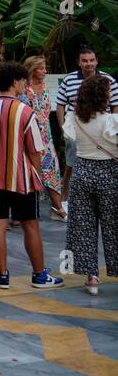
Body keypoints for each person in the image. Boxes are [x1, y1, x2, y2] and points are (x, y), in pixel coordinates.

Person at [0, 61, 63, 289]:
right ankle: (39, 275)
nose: (25, 84)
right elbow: (35, 150)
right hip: (22, 178)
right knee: (30, 225)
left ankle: (2, 275)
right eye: (23, 80)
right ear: (15, 82)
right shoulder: (26, 112)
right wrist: (37, 175)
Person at [64, 75, 118, 296]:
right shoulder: (112, 121)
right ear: (103, 96)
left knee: (82, 227)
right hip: (109, 174)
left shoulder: (73, 118)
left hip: (82, 172)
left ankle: (91, 277)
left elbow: (68, 138)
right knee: (114, 226)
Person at [55, 47, 118, 216]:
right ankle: (65, 198)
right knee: (71, 163)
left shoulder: (108, 79)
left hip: (103, 127)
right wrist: (63, 128)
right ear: (79, 62)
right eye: (85, 60)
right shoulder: (69, 80)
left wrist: (113, 125)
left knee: (101, 163)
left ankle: (92, 203)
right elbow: (60, 105)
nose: (88, 63)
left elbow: (116, 105)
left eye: (91, 60)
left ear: (96, 61)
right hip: (76, 127)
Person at [22, 55, 66, 220]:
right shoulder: (23, 89)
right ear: (32, 69)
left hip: (46, 138)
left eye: (45, 68)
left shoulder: (46, 87)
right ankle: (24, 211)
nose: (45, 71)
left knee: (52, 171)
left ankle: (57, 207)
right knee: (29, 172)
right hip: (28, 135)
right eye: (41, 68)